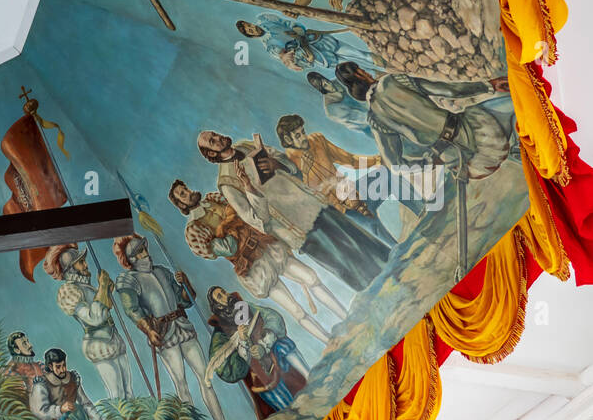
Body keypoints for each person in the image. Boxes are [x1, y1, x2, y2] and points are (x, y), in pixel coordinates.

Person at [198, 129, 383, 292]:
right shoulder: (226, 182)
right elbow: (255, 219)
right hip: (293, 224)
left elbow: (290, 165)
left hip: (309, 201)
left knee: (354, 236)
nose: (218, 138)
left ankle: (388, 263)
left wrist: (275, 164)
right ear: (211, 153)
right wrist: (248, 187)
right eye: (212, 141)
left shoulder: (245, 146)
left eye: (215, 134)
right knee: (339, 259)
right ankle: (373, 289)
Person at [169, 179, 335, 345]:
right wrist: (233, 219)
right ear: (181, 204)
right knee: (296, 310)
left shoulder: (214, 198)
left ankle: (344, 317)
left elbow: (244, 212)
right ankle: (330, 342)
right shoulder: (194, 230)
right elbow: (229, 248)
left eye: (186, 188)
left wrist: (225, 227)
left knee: (311, 278)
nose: (188, 192)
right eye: (182, 194)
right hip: (252, 267)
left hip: (266, 245)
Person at [335, 62, 516, 186]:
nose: (365, 72)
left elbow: (395, 165)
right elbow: (447, 89)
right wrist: (488, 85)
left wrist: (429, 162)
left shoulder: (375, 119)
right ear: (360, 75)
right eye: (360, 71)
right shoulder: (392, 80)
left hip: (458, 161)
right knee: (514, 102)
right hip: (477, 129)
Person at [112, 234, 227, 420]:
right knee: (181, 384)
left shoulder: (162, 272)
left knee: (205, 378)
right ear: (131, 258)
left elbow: (185, 300)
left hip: (182, 326)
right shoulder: (128, 280)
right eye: (139, 250)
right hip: (164, 333)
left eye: (144, 247)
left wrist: (185, 284)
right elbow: (132, 310)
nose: (145, 252)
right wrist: (149, 330)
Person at [275, 114, 395, 250]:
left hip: (352, 191)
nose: (303, 138)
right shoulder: (290, 166)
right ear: (287, 139)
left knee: (390, 173)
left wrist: (378, 160)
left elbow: (349, 160)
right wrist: (313, 178)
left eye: (303, 132)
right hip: (340, 211)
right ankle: (400, 251)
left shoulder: (317, 140)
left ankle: (422, 212)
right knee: (373, 226)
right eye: (297, 136)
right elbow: (311, 200)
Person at [43, 244, 131, 399]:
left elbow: (104, 309)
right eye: (81, 262)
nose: (85, 264)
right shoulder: (70, 291)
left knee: (128, 390)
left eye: (84, 261)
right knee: (117, 394)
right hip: (98, 343)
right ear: (71, 268)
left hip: (113, 338)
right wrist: (103, 287)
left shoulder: (87, 286)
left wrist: (106, 290)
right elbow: (94, 318)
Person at [204, 286, 308, 418]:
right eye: (220, 297)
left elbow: (273, 317)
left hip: (271, 350)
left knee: (284, 346)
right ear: (217, 306)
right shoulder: (221, 329)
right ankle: (293, 416)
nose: (225, 296)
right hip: (257, 369)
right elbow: (224, 367)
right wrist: (242, 340)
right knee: (271, 389)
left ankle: (311, 381)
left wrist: (264, 345)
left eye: (224, 292)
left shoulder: (244, 306)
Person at [235, 14, 371, 73]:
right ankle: (372, 72)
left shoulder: (265, 19)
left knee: (359, 54)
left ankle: (378, 62)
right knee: (349, 66)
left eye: (250, 25)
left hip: (315, 40)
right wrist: (292, 55)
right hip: (312, 55)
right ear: (250, 35)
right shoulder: (270, 47)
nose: (253, 28)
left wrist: (297, 29)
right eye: (249, 31)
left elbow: (287, 23)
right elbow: (286, 57)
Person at [3, 331, 44, 400]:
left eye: (27, 341)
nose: (30, 345)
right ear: (16, 350)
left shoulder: (40, 366)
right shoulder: (10, 372)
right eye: (24, 344)